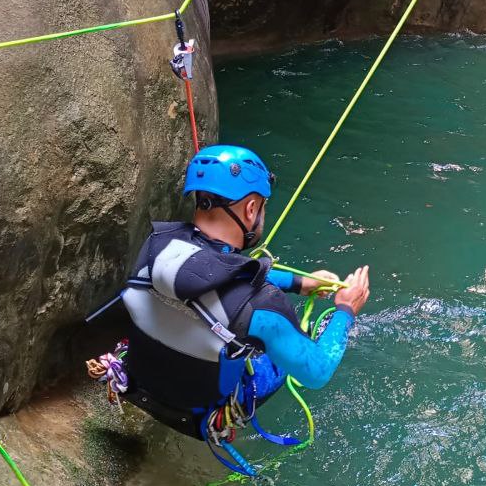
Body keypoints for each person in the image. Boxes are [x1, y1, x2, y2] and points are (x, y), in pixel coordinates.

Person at [117, 144, 369, 450]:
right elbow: (317, 373)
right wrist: (345, 310)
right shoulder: (264, 305)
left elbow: (213, 275)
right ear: (250, 209)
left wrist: (298, 282)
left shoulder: (156, 245)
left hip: (140, 383)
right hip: (197, 413)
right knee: (281, 355)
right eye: (261, 207)